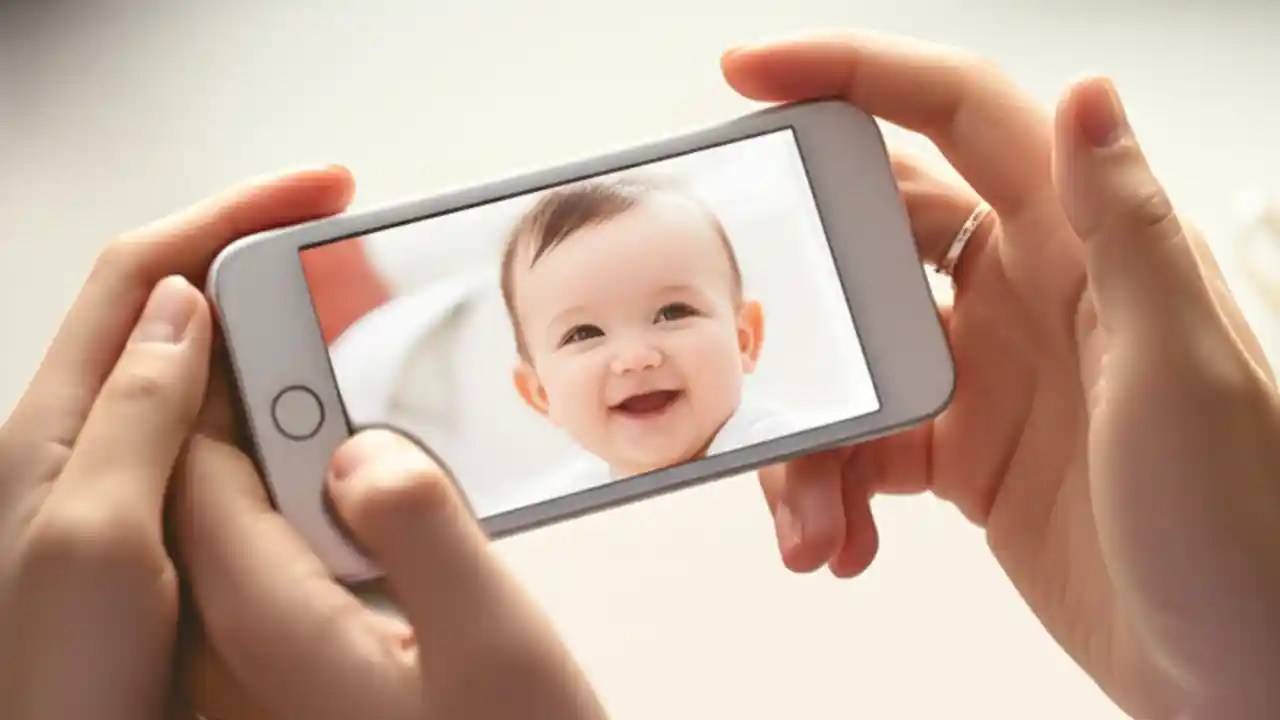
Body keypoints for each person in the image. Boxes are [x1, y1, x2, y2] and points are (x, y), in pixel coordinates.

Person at [0, 30, 1276, 720]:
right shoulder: (519, 473)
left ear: (751, 341)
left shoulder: (784, 419)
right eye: (581, 340)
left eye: (674, 309)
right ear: (532, 398)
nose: (638, 352)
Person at [499, 176, 796, 491]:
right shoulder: (566, 503)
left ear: (743, 340)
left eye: (672, 313)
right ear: (542, 394)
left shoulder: (782, 457)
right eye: (584, 333)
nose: (635, 358)